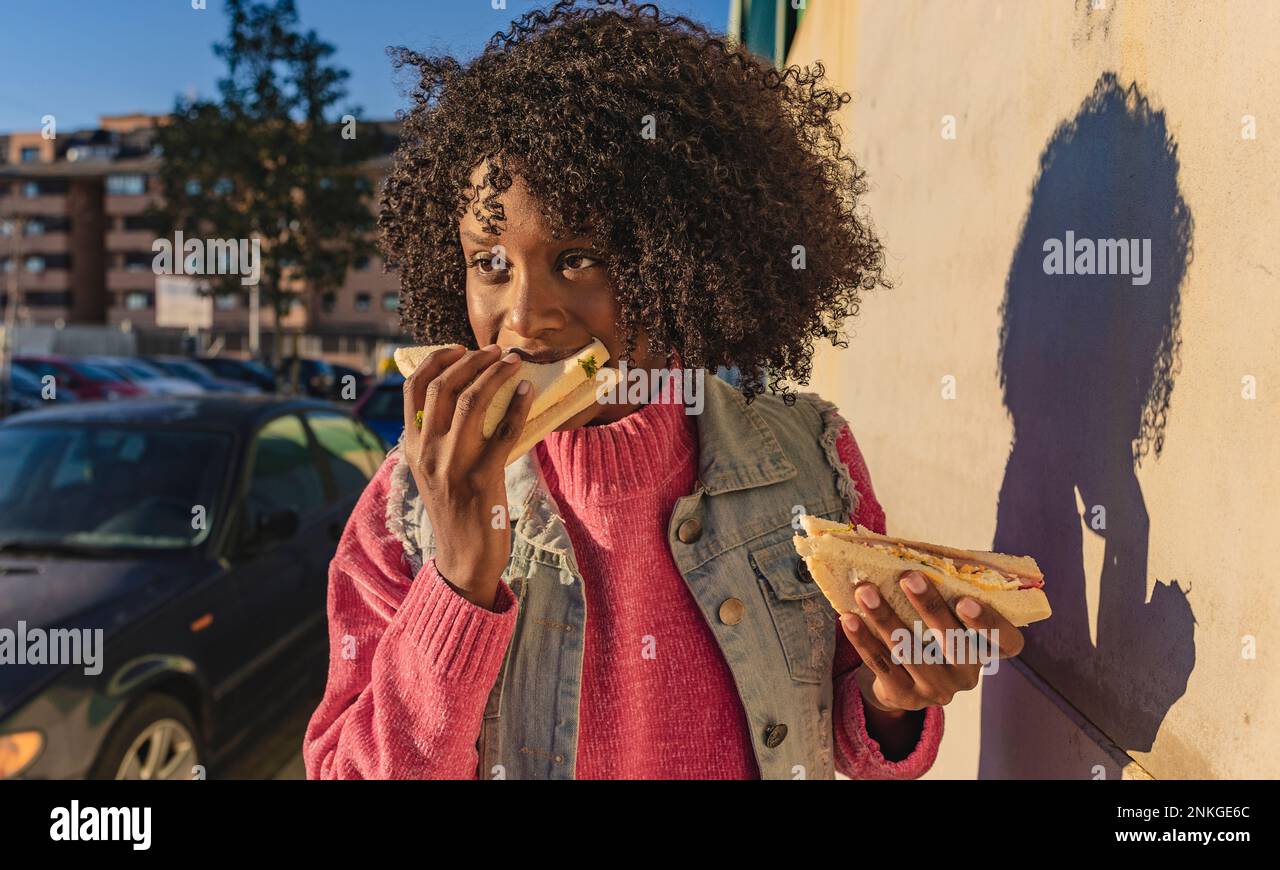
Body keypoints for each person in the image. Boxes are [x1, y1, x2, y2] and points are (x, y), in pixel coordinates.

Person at [304, 0, 1024, 780]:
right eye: (491, 262)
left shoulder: (811, 466)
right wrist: (459, 579)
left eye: (579, 256)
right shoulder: (407, 504)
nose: (523, 318)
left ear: (682, 260)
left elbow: (848, 731)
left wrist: (897, 697)